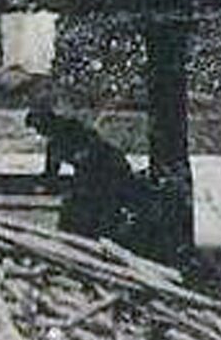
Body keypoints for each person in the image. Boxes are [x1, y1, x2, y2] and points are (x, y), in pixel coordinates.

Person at [25, 102, 141, 248]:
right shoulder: (54, 146)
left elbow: (94, 156)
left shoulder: (73, 129)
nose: (40, 132)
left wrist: (79, 186)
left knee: (99, 210)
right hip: (90, 178)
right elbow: (51, 174)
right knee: (73, 213)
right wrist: (41, 186)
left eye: (40, 127)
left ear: (50, 121)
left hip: (112, 171)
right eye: (37, 129)